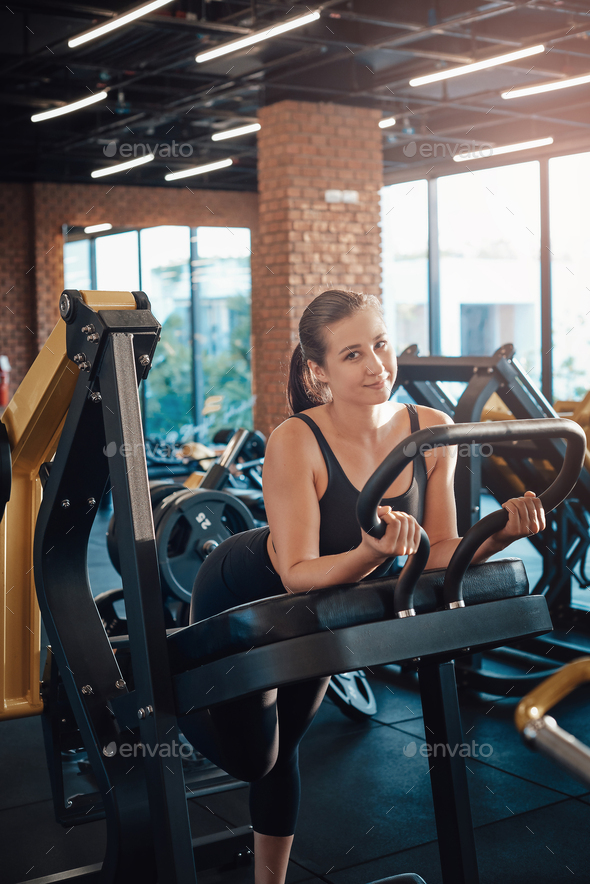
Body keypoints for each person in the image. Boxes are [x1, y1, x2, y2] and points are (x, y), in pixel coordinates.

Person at [183, 289, 546, 884]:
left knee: (280, 753)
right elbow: (297, 571)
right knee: (252, 757)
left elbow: (439, 550)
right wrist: (370, 552)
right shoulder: (297, 439)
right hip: (246, 592)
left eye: (380, 345)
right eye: (353, 355)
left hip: (321, 607)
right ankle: (156, 707)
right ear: (318, 370)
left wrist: (500, 532)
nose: (377, 365)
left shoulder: (431, 430)